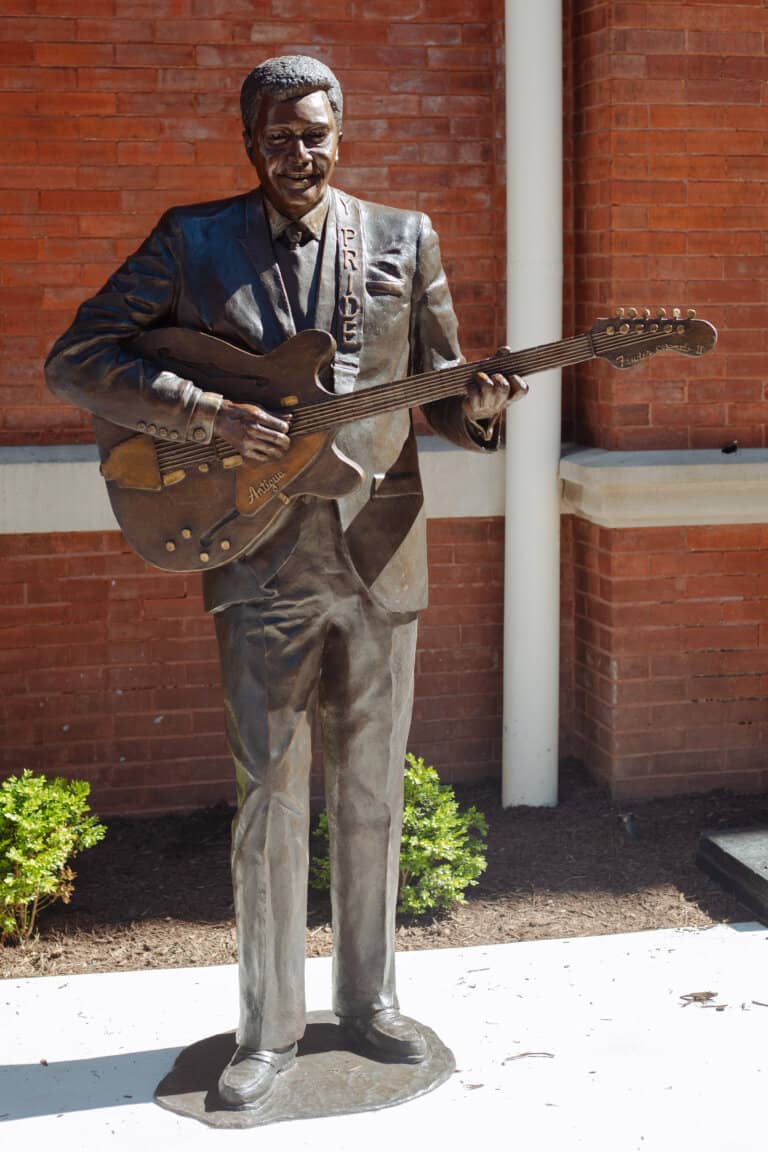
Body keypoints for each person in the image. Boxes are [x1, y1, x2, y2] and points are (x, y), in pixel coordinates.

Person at [46, 55, 527, 1111]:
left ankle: (371, 1003)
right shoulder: (192, 239)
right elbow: (76, 359)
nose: (296, 156)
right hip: (251, 546)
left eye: (313, 135)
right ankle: (267, 1029)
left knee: (370, 796)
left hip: (381, 549)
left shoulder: (405, 239)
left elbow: (443, 391)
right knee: (268, 797)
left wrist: (483, 405)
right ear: (249, 142)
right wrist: (205, 413)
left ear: (341, 130)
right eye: (275, 139)